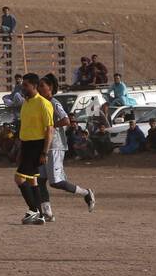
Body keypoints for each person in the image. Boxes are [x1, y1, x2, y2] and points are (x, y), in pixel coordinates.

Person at [34, 74, 97, 220]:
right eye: (38, 86)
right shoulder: (41, 103)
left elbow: (66, 120)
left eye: (42, 85)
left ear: (49, 87)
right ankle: (47, 211)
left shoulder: (54, 103)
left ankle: (86, 193)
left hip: (55, 146)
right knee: (40, 180)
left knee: (55, 182)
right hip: (43, 145)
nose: (39, 88)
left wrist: (52, 126)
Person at [14, 74, 54, 225]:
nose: (23, 87)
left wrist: (44, 152)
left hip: (36, 145)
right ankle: (42, 215)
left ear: (34, 86)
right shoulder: (26, 103)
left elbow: (50, 129)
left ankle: (34, 210)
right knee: (33, 181)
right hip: (26, 145)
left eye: (25, 85)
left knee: (18, 178)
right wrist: (19, 147)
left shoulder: (43, 103)